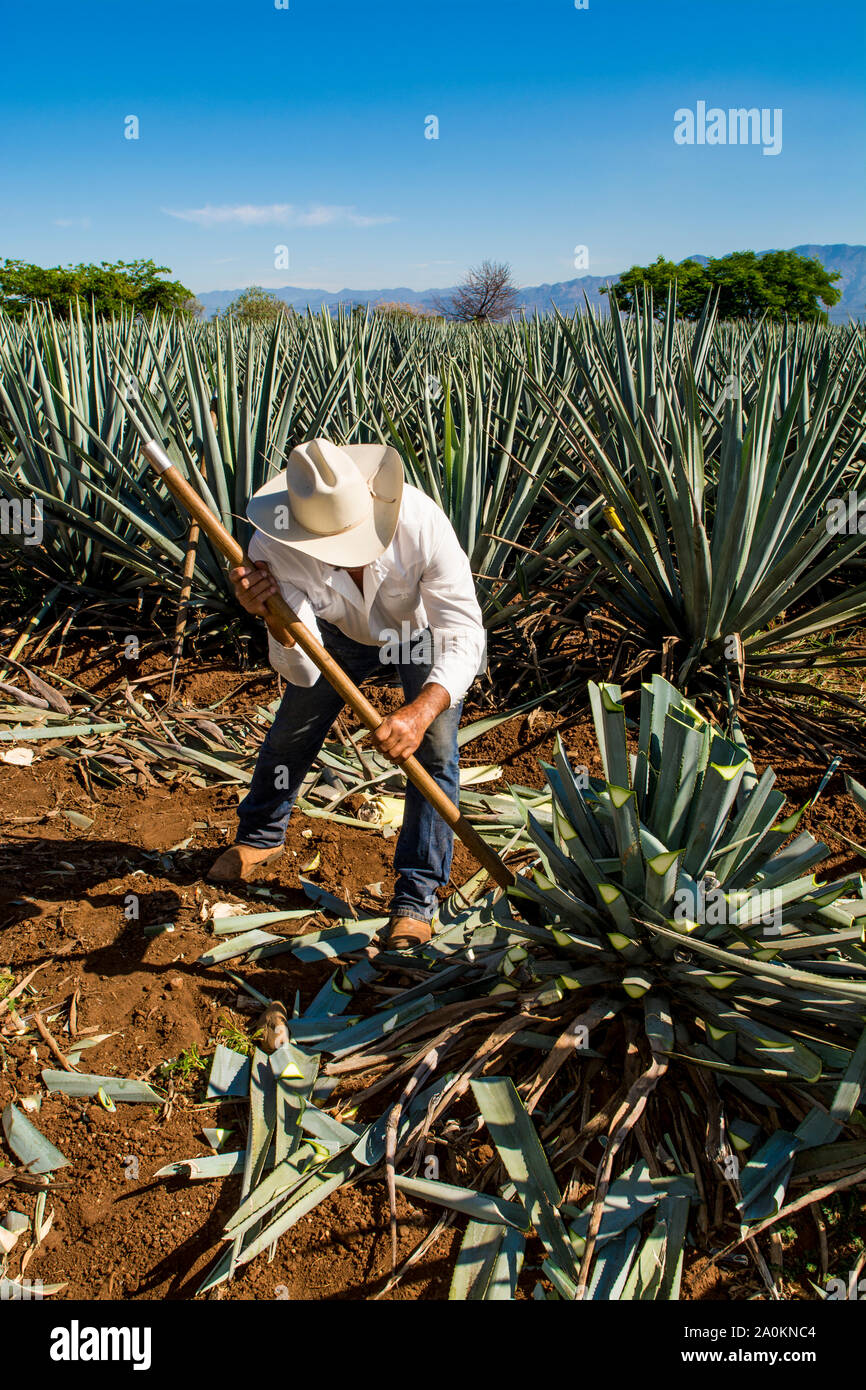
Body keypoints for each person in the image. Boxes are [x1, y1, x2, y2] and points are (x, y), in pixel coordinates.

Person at [208, 436, 485, 953]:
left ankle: (416, 895)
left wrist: (422, 709)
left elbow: (463, 630)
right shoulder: (277, 541)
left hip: (419, 632)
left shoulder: (420, 523)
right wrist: (273, 618)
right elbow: (301, 665)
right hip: (332, 634)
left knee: (435, 748)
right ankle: (260, 837)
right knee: (295, 727)